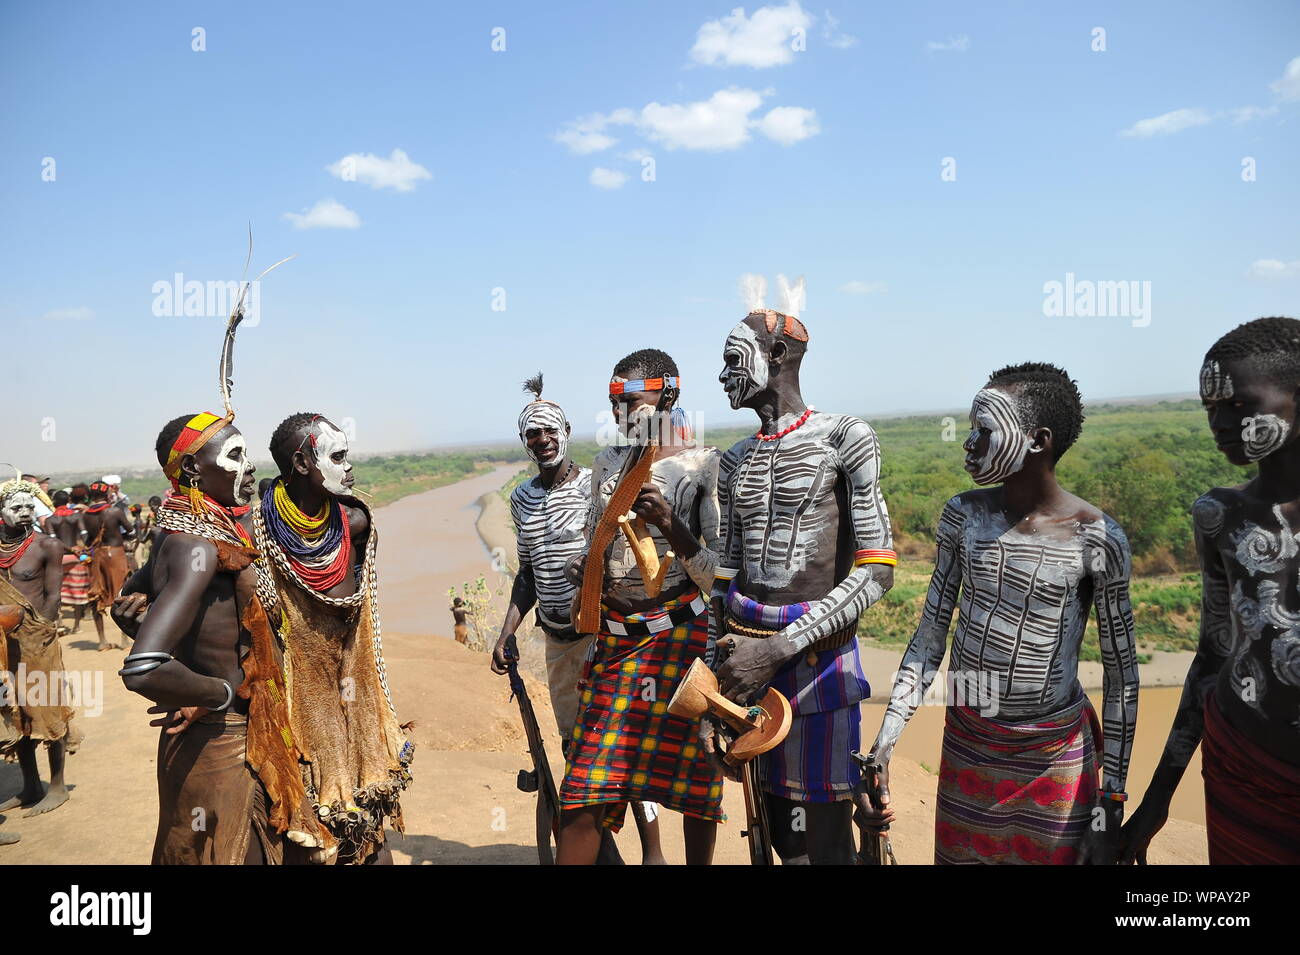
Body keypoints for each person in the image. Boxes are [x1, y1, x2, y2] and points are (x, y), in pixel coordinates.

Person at [865, 363, 1139, 864]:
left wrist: (1112, 801)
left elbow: (1122, 678)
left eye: (983, 431)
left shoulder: (1095, 537)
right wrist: (884, 743)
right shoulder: (963, 516)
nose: (968, 443)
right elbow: (930, 637)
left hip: (1055, 754)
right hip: (970, 741)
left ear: (1037, 440)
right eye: (969, 429)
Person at [708, 277, 896, 864]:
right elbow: (726, 576)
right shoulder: (734, 459)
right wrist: (721, 673)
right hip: (747, 655)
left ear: (779, 355)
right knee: (773, 830)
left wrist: (780, 647)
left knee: (827, 835)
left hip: (818, 659)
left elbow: (878, 570)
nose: (723, 377)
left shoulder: (845, 438)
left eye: (732, 360)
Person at [1121, 317, 1300, 865]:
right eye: (1209, 409)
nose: (1219, 423)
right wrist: (1154, 808)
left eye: (1239, 404)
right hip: (1243, 764)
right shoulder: (1220, 515)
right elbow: (1212, 657)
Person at [115, 411, 313, 864]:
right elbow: (144, 667)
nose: (250, 466)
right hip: (224, 741)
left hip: (218, 735)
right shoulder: (198, 547)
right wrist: (220, 692)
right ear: (191, 470)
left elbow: (132, 596)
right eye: (235, 456)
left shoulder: (177, 532)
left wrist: (139, 619)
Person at [557, 349, 723, 865]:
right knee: (585, 783)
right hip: (615, 641)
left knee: (697, 784)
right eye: (612, 401)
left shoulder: (705, 464)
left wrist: (672, 525)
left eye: (631, 399)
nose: (618, 412)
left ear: (668, 394)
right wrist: (583, 579)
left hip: (682, 640)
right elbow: (593, 544)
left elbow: (717, 576)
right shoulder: (607, 463)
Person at [490, 373, 647, 864]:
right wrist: (506, 631)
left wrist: (594, 574)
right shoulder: (521, 499)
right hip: (557, 643)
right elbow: (528, 573)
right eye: (531, 434)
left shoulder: (593, 487)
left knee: (618, 751)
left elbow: (623, 555)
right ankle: (602, 851)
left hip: (602, 636)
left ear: (566, 430)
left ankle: (652, 853)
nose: (541, 441)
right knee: (574, 748)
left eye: (548, 430)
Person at [250, 412, 413, 864]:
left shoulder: (355, 521)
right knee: (312, 812)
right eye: (337, 456)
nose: (349, 467)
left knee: (369, 799)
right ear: (302, 464)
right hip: (298, 689)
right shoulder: (254, 530)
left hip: (355, 681)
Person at [0, 476, 80, 817]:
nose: (24, 513)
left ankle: (58, 786)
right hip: (4, 644)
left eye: (29, 507)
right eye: (16, 507)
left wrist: (38, 630)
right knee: (15, 712)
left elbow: (52, 598)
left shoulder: (47, 546)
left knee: (47, 708)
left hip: (38, 640)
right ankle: (31, 785)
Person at [82, 480, 135, 650]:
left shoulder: (86, 515)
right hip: (116, 554)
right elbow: (131, 531)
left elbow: (88, 540)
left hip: (98, 556)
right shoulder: (115, 511)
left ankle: (102, 641)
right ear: (106, 494)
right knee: (123, 593)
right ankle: (125, 639)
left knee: (96, 593)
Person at [46, 490, 90, 634]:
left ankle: (59, 623)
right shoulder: (76, 516)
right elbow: (85, 535)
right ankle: (77, 626)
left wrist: (69, 549)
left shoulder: (50, 520)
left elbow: (54, 540)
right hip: (77, 557)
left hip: (58, 558)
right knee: (77, 591)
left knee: (56, 591)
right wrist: (80, 550)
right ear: (68, 500)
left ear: (53, 502)